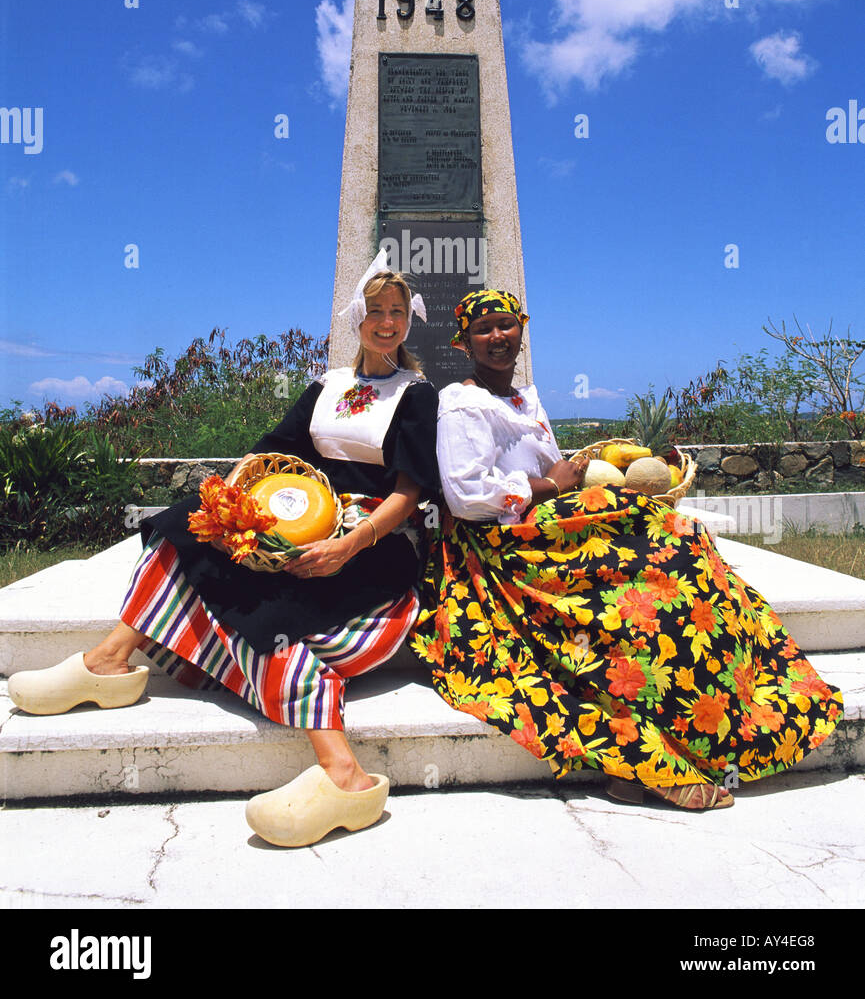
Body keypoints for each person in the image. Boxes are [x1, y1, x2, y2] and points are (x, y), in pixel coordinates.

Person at [9, 253, 439, 846]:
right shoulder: (329, 386)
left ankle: (345, 774)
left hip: (373, 535)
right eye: (375, 312)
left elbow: (411, 495)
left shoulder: (417, 395)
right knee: (189, 524)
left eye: (396, 313)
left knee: (275, 609)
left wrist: (349, 543)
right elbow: (270, 450)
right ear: (356, 320)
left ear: (408, 321)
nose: (386, 323)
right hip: (301, 511)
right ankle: (110, 659)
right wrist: (231, 505)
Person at [409, 288, 844, 811]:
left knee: (686, 546)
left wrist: (567, 482)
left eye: (506, 325)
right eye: (484, 329)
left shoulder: (523, 398)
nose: (497, 337)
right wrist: (548, 485)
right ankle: (647, 760)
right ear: (465, 343)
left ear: (521, 330)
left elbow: (553, 472)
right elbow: (466, 495)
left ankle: (715, 726)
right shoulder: (462, 405)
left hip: (548, 529)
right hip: (508, 545)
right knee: (654, 593)